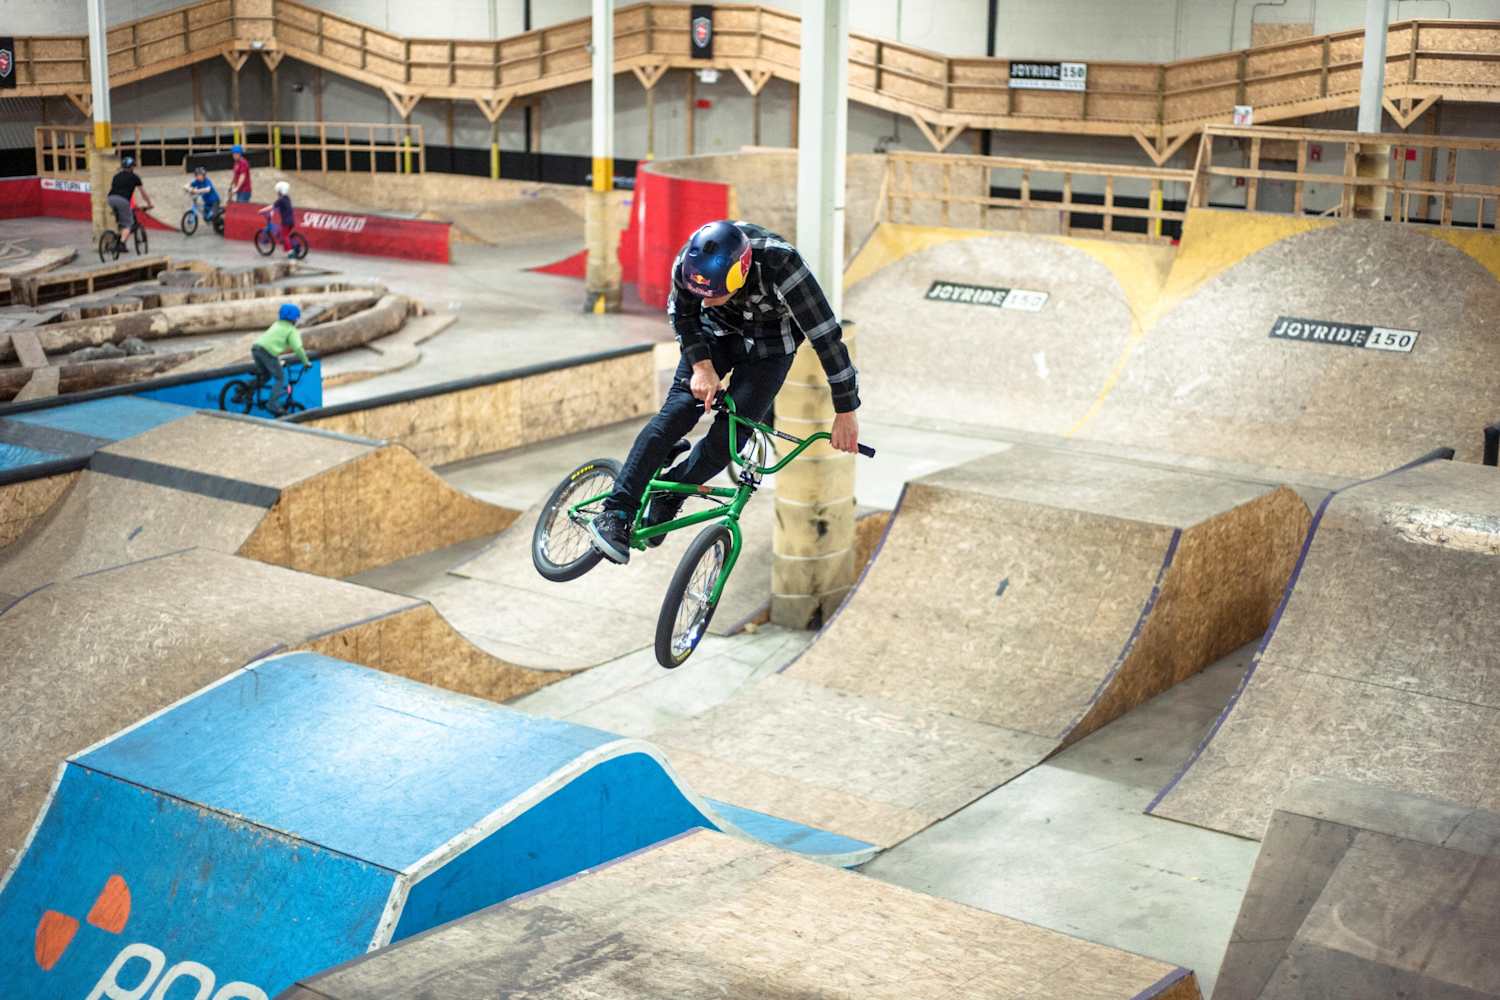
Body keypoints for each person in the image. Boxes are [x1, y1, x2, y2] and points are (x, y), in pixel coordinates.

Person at [587, 220, 861, 565]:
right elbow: (684, 315)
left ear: (741, 273)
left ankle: (668, 494)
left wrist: (846, 411)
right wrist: (702, 367)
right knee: (677, 413)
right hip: (713, 335)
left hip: (771, 348)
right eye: (703, 295)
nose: (709, 301)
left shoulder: (783, 267)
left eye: (716, 295)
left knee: (729, 440)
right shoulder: (690, 263)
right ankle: (616, 512)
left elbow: (827, 339)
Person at [251, 303, 311, 417]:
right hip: (267, 353)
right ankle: (272, 404)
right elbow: (298, 348)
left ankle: (243, 391)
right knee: (280, 378)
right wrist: (306, 362)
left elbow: (272, 342)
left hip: (256, 349)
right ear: (294, 318)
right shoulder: (291, 330)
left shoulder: (276, 324)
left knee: (265, 376)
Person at [106, 156, 153, 246]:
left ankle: (118, 237)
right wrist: (149, 204)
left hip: (110, 199)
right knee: (129, 224)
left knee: (121, 220)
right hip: (123, 200)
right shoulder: (135, 177)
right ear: (131, 167)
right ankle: (122, 244)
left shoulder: (116, 176)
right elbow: (143, 193)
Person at [257, 181, 296, 258]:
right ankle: (287, 249)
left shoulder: (280, 200)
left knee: (284, 236)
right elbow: (279, 207)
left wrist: (261, 210)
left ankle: (290, 252)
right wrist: (274, 211)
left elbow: (272, 206)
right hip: (291, 220)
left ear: (280, 191)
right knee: (284, 234)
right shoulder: (287, 198)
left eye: (278, 191)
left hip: (286, 221)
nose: (277, 193)